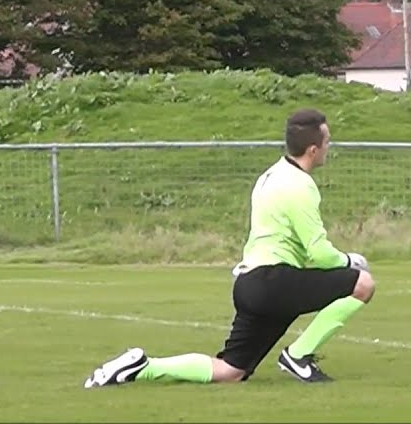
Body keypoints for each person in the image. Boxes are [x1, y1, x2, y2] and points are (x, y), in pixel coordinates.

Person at [83, 108, 375, 387]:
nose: (329, 148)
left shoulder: (270, 175)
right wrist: (349, 260)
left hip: (250, 284)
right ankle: (298, 356)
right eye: (327, 142)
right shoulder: (300, 185)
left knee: (230, 371)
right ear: (313, 149)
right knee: (362, 284)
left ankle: (143, 367)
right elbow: (319, 253)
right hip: (272, 282)